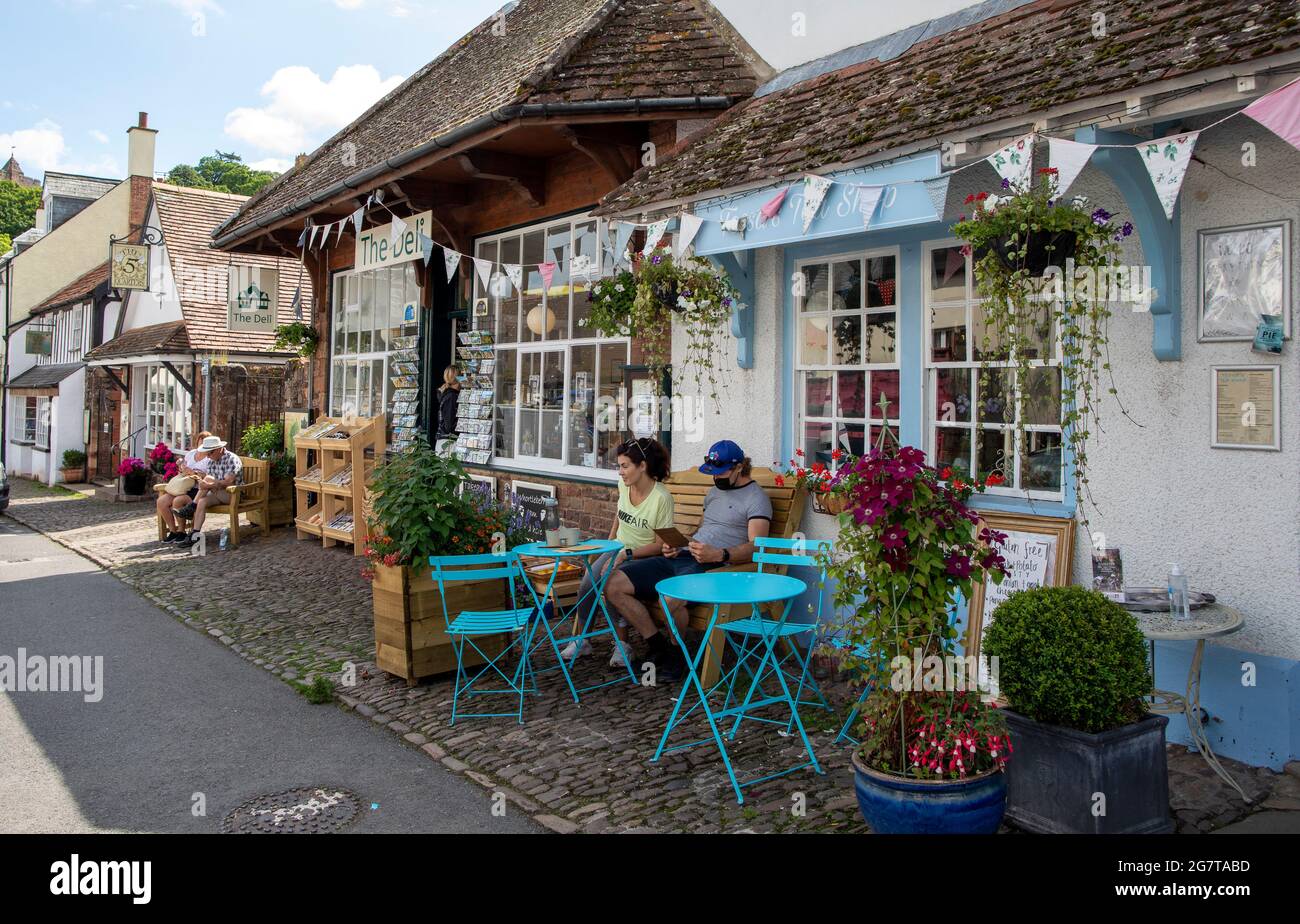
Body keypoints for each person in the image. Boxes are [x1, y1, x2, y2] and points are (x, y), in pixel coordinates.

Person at [604, 440, 772, 680]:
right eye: (712, 472)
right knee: (613, 584)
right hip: (685, 556)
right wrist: (680, 544)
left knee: (670, 599)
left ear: (739, 468)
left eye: (721, 471)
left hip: (716, 568)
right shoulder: (715, 492)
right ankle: (659, 647)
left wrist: (720, 554)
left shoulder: (756, 498)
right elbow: (704, 531)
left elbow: (758, 547)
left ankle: (676, 655)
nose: (716, 477)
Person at [560, 437, 674, 668]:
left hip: (642, 557)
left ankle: (624, 646)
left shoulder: (661, 498)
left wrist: (626, 554)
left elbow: (661, 545)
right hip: (618, 548)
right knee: (587, 583)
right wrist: (610, 544)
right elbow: (619, 514)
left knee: (608, 581)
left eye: (624, 466)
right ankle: (583, 640)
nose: (620, 472)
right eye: (618, 466)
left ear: (642, 466)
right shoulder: (625, 485)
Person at [188, 435, 243, 546]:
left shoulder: (231, 459)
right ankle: (195, 535)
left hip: (232, 494)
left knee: (207, 480)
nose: (208, 456)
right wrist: (204, 484)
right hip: (217, 493)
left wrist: (209, 484)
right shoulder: (211, 461)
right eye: (207, 453)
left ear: (219, 449)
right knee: (202, 501)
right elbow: (210, 481)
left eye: (210, 453)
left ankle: (191, 507)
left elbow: (229, 482)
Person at [158, 431, 212, 543]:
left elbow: (208, 477)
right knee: (161, 501)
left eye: (204, 443)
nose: (201, 445)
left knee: (178, 501)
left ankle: (181, 532)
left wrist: (193, 473)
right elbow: (182, 470)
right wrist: (181, 466)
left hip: (197, 489)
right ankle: (173, 531)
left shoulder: (209, 458)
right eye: (200, 441)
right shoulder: (191, 453)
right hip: (183, 486)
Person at [436, 365, 462, 454]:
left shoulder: (447, 395)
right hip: (449, 442)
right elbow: (449, 423)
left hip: (444, 440)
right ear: (458, 378)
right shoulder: (452, 396)